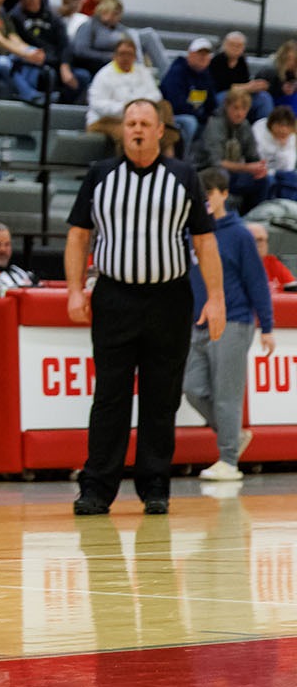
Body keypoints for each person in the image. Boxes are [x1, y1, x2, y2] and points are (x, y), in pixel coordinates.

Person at [65, 98, 226, 516]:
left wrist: (216, 298)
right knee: (110, 397)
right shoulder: (100, 175)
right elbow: (78, 236)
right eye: (130, 122)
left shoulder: (184, 176)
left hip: (169, 299)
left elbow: (205, 242)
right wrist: (75, 290)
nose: (136, 129)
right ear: (122, 130)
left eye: (144, 123)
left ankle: (155, 485)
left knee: (161, 397)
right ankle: (97, 487)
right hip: (115, 297)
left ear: (160, 131)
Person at [183, 168, 271, 482]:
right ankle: (233, 436)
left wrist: (268, 326)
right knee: (191, 388)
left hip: (234, 320)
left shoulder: (239, 235)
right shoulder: (191, 233)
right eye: (200, 195)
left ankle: (229, 460)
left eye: (209, 194)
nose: (204, 201)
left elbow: (257, 281)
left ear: (222, 194)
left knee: (226, 395)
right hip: (199, 323)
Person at [9, 0, 85, 104]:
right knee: (48, 75)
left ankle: (63, 111)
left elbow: (65, 44)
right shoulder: (15, 16)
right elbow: (14, 41)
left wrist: (64, 66)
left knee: (82, 77)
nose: (28, 0)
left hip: (55, 60)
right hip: (32, 60)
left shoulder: (53, 15)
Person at [193, 87, 266, 212]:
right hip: (204, 172)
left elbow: (252, 157)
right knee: (221, 176)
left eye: (244, 109)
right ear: (227, 106)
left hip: (233, 173)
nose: (239, 113)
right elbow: (216, 162)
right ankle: (222, 222)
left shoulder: (245, 126)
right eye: (235, 108)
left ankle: (253, 218)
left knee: (263, 179)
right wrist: (247, 168)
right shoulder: (215, 123)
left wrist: (259, 168)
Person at [85, 38, 162, 143]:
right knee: (130, 134)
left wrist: (140, 106)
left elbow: (156, 95)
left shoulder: (143, 72)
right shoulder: (104, 75)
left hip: (138, 119)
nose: (126, 58)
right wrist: (126, 108)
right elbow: (97, 104)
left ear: (135, 57)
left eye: (129, 54)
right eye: (122, 53)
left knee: (164, 133)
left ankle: (165, 159)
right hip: (104, 121)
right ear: (115, 55)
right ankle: (126, 159)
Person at [160, 38, 218, 150]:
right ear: (190, 54)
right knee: (190, 122)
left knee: (215, 123)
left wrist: (209, 116)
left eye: (206, 55)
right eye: (199, 54)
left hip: (197, 116)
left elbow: (212, 103)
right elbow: (176, 104)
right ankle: (183, 159)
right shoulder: (177, 72)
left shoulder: (206, 76)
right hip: (173, 116)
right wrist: (200, 115)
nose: (203, 57)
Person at [253, 105, 297, 200]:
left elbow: (289, 167)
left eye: (287, 126)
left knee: (292, 177)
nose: (284, 130)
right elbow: (257, 158)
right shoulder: (259, 129)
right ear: (271, 123)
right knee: (269, 180)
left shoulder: (291, 137)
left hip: (279, 174)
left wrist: (282, 148)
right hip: (258, 171)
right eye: (281, 125)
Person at [249, 221, 295, 292]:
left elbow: (292, 286)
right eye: (255, 240)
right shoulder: (235, 266)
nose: (259, 245)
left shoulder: (272, 262)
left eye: (262, 240)